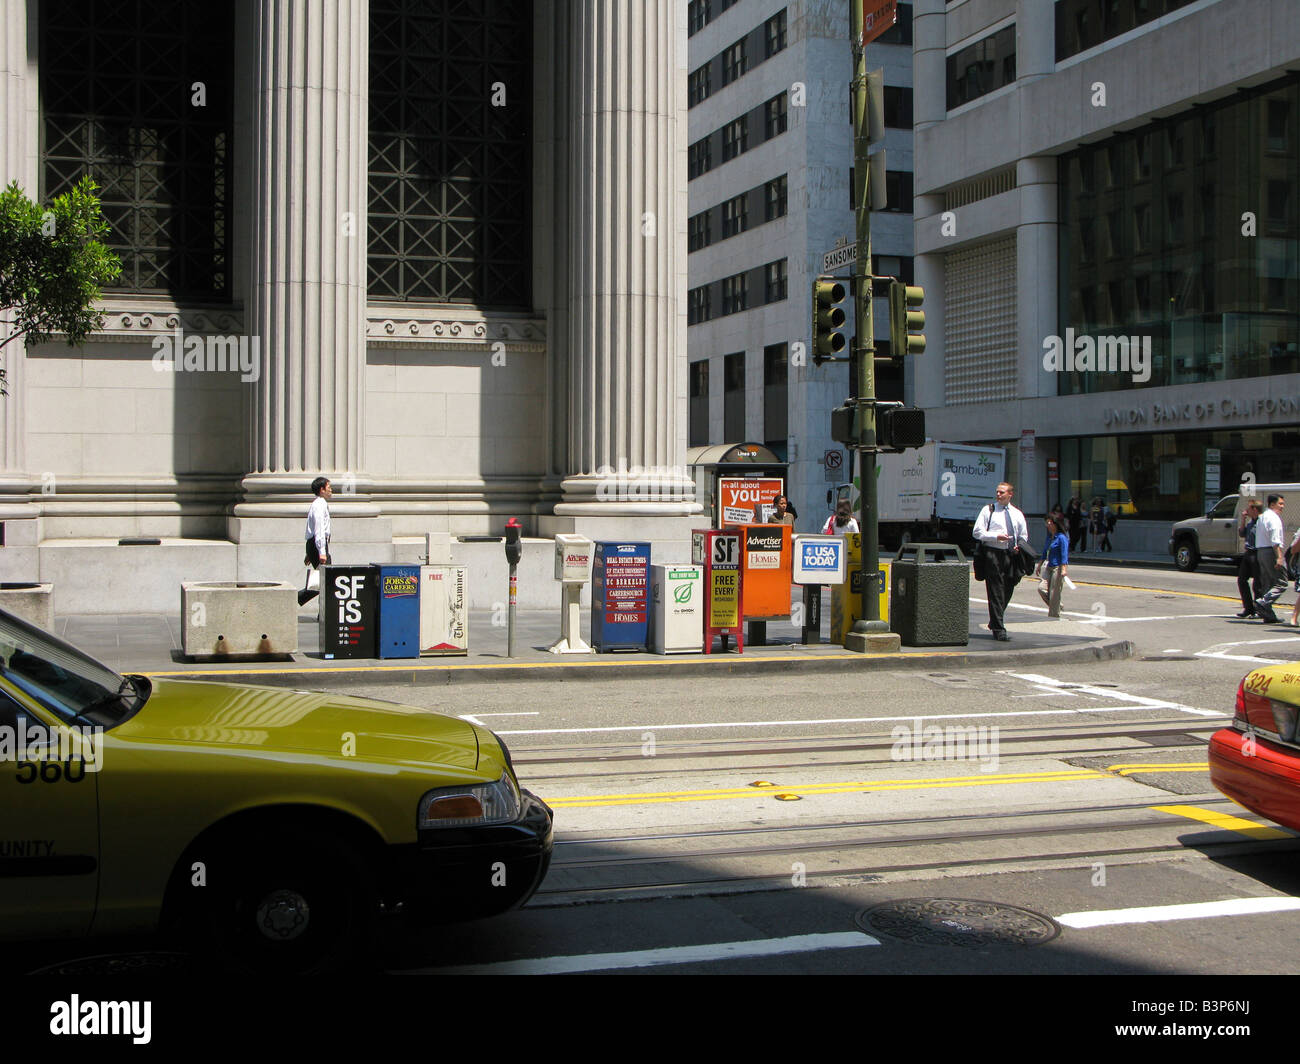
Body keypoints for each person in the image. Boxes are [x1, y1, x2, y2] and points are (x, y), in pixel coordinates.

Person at [972, 481, 1029, 641]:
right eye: (997, 492)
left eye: (1002, 492)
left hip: (1011, 555)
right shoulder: (988, 510)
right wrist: (996, 536)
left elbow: (1023, 535)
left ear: (1010, 494)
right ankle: (999, 629)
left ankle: (994, 620)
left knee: (1009, 587)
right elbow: (977, 532)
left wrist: (1019, 546)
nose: (998, 495)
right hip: (993, 554)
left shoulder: (1017, 514)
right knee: (995, 591)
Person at [299, 476, 332, 606]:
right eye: (329, 487)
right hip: (318, 545)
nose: (331, 490)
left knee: (323, 581)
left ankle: (321, 612)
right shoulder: (319, 505)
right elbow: (318, 530)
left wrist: (311, 552)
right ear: (322, 489)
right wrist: (321, 552)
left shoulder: (319, 504)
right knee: (325, 580)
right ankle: (297, 598)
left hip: (315, 545)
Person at [1254, 493, 1287, 623]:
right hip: (1270, 551)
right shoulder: (1273, 518)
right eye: (1280, 504)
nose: (1282, 506)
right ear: (1272, 504)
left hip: (1261, 551)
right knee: (1282, 582)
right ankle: (1263, 602)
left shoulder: (1263, 517)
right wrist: (1279, 557)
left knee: (1267, 582)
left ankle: (1268, 615)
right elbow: (1275, 540)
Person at [1036, 515, 1070, 608]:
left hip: (1057, 568)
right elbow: (1044, 552)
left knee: (1054, 593)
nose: (1048, 525)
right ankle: (1057, 605)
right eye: (1047, 523)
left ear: (1056, 524)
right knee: (1041, 588)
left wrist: (1063, 569)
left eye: (1050, 522)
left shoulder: (1061, 537)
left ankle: (1054, 615)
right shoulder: (1050, 537)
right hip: (1049, 567)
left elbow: (1064, 554)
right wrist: (1039, 565)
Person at [1237, 499, 1263, 618]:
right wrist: (1243, 519)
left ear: (1254, 509)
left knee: (1257, 584)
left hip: (1257, 553)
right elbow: (1242, 533)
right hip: (1248, 553)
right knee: (1242, 580)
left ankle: (1258, 609)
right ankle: (1248, 608)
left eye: (1249, 509)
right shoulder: (1251, 522)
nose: (1246, 511)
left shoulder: (1261, 522)